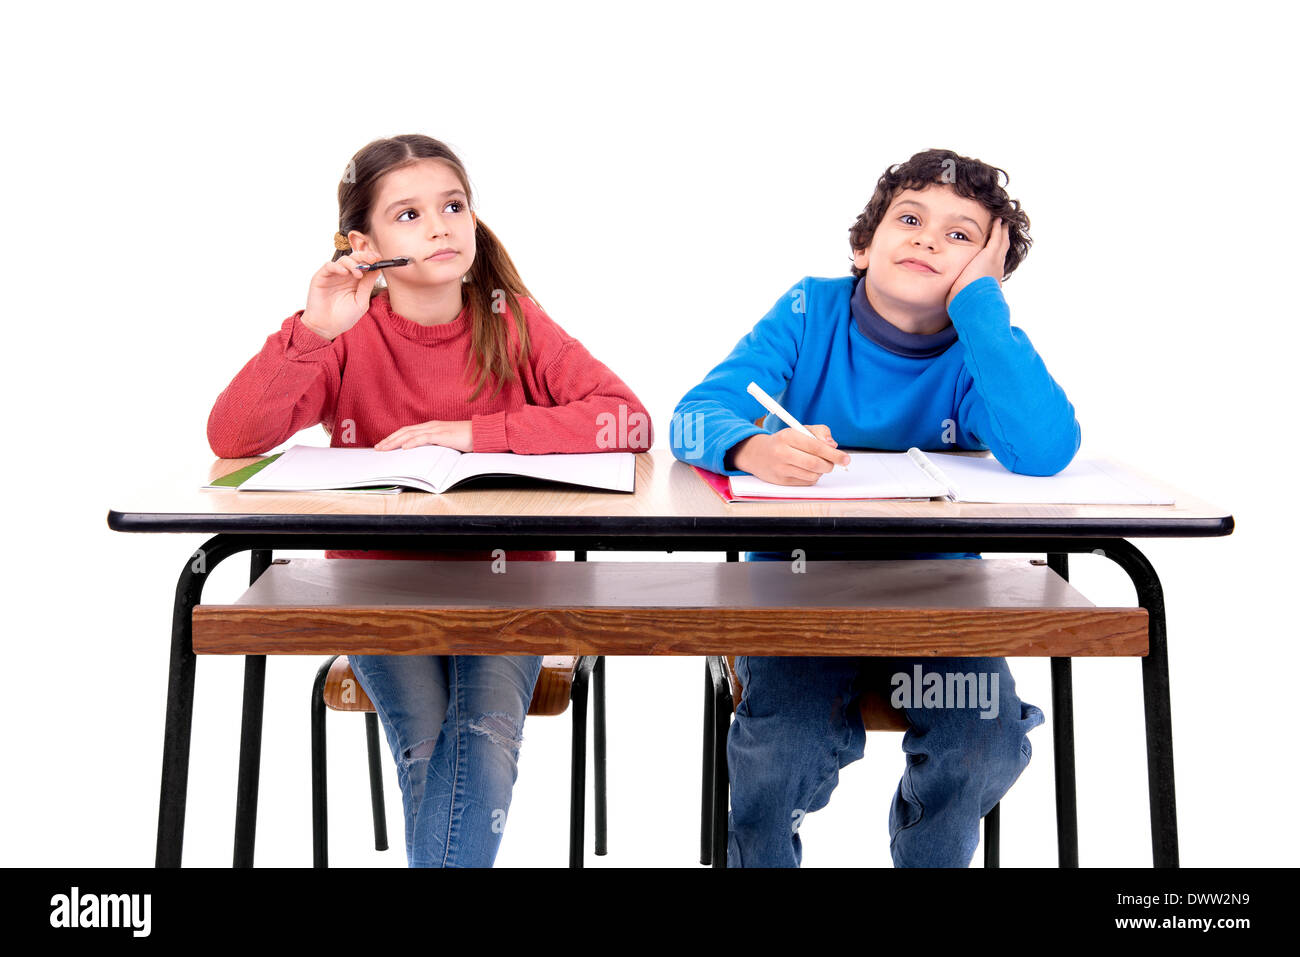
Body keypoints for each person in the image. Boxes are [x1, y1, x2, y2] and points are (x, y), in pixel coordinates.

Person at [207, 134, 652, 867]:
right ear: (364, 243)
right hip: (378, 583)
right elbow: (234, 435)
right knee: (424, 738)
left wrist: (478, 434)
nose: (442, 225)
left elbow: (629, 420)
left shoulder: (513, 320)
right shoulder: (344, 334)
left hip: (513, 581)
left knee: (483, 734)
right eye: (409, 214)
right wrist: (314, 329)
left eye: (453, 205)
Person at [670, 148, 1079, 866]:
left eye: (960, 236)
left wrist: (981, 308)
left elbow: (1043, 448)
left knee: (981, 737)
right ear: (864, 245)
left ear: (984, 274)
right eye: (911, 219)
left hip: (939, 595)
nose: (926, 238)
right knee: (779, 752)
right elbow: (694, 414)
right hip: (797, 592)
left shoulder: (979, 349)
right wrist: (749, 448)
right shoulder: (808, 310)